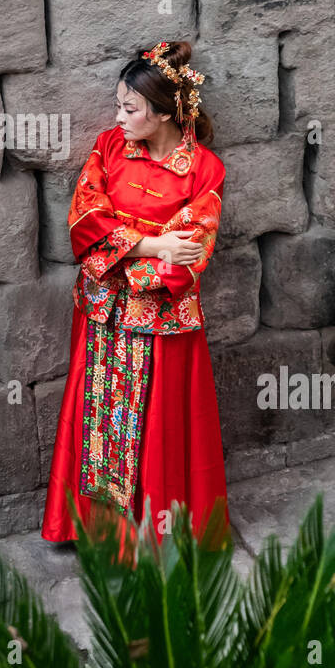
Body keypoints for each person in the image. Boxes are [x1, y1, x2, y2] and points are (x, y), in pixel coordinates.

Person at [41, 39, 229, 547]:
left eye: (130, 108)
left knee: (157, 426)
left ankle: (150, 543)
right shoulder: (107, 148)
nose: (118, 117)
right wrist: (149, 242)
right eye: (118, 106)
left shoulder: (204, 170)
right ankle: (98, 535)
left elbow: (191, 254)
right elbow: (84, 220)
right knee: (100, 419)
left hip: (159, 321)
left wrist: (127, 261)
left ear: (164, 112)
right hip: (103, 313)